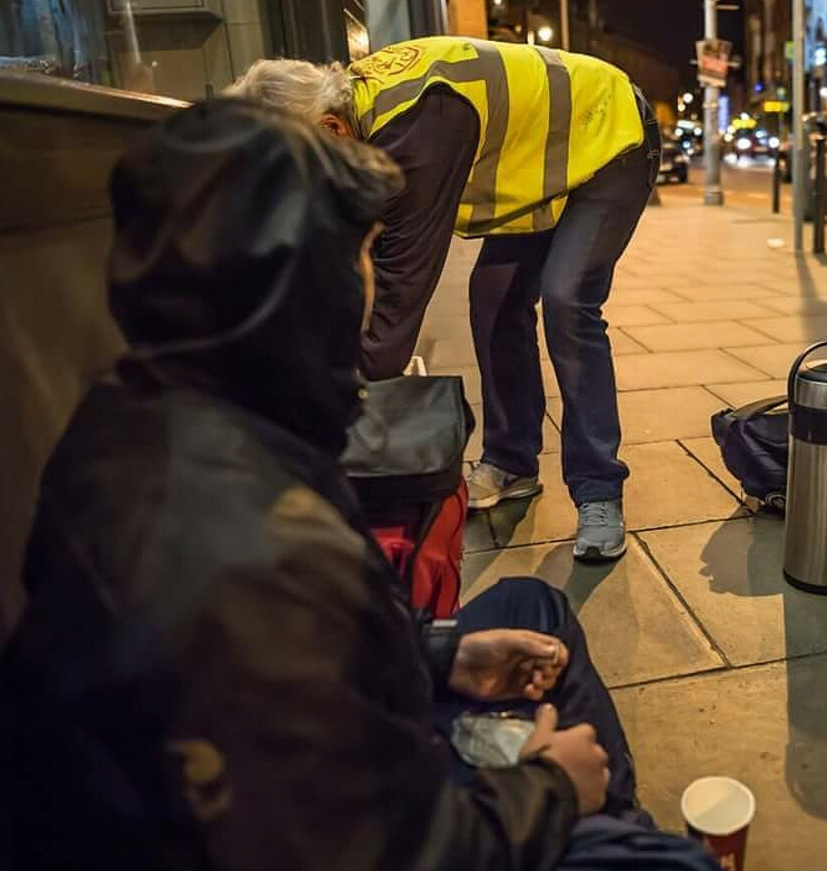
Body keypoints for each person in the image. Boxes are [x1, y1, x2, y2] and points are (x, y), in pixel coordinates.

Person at [1, 99, 717, 871]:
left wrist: (441, 654)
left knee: (533, 608)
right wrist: (548, 788)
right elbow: (382, 854)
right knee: (673, 867)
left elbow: (307, 666)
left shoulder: (145, 410)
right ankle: (614, 836)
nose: (371, 282)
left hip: (293, 769)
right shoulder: (260, 551)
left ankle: (610, 828)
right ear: (305, 288)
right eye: (361, 255)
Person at [228, 36, 661, 563]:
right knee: (493, 300)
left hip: (609, 136)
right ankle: (512, 461)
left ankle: (598, 490)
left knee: (567, 300)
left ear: (330, 130)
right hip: (546, 163)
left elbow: (396, 303)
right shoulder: (359, 118)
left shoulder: (415, 135)